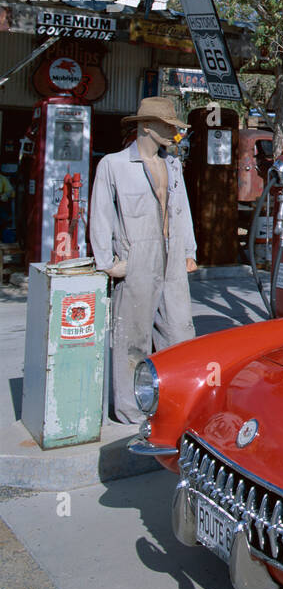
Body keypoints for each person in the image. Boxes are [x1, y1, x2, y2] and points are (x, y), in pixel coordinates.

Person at [89, 97, 198, 424]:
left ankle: (173, 406)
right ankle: (131, 411)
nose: (172, 133)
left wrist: (189, 251)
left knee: (180, 336)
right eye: (167, 126)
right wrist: (107, 261)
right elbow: (101, 215)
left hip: (173, 257)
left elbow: (182, 210)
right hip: (135, 257)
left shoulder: (173, 165)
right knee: (132, 341)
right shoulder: (114, 165)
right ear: (146, 125)